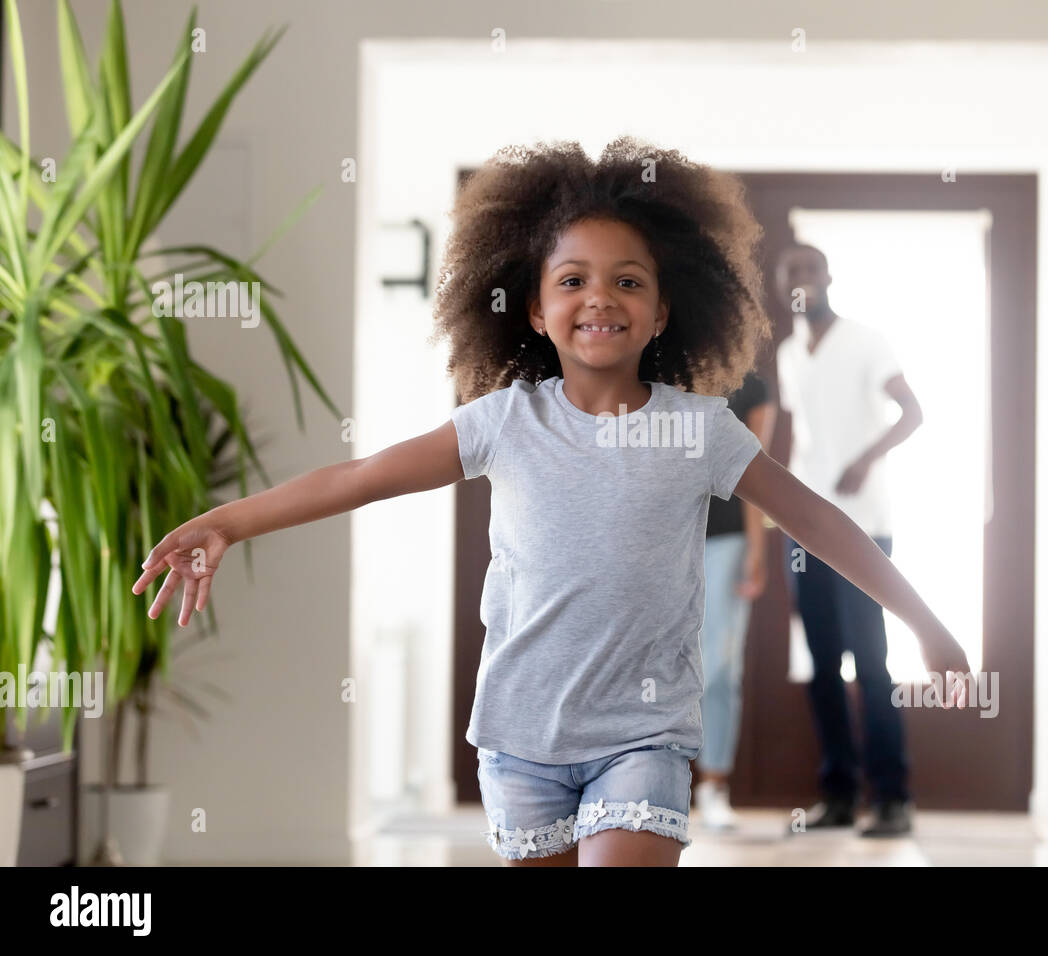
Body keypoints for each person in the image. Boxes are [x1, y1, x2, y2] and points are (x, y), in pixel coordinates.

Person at [131, 138, 969, 868]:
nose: (600, 296)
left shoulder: (701, 433)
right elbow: (362, 477)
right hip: (521, 743)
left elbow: (818, 521)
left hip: (646, 736)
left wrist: (925, 624)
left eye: (627, 281)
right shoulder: (502, 423)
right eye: (573, 280)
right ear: (535, 309)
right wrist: (226, 520)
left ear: (663, 311)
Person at [774, 243, 926, 837]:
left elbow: (913, 413)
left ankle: (893, 798)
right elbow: (804, 441)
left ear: (828, 277)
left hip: (863, 523)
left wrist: (866, 460)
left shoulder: (867, 340)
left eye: (810, 270)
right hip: (805, 529)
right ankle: (838, 795)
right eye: (791, 274)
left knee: (872, 661)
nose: (802, 281)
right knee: (821, 662)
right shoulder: (790, 353)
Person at [695, 371, 776, 829]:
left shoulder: (752, 386)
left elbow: (758, 472)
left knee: (721, 669)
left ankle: (713, 785)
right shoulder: (655, 368)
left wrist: (757, 550)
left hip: (727, 541)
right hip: (662, 538)